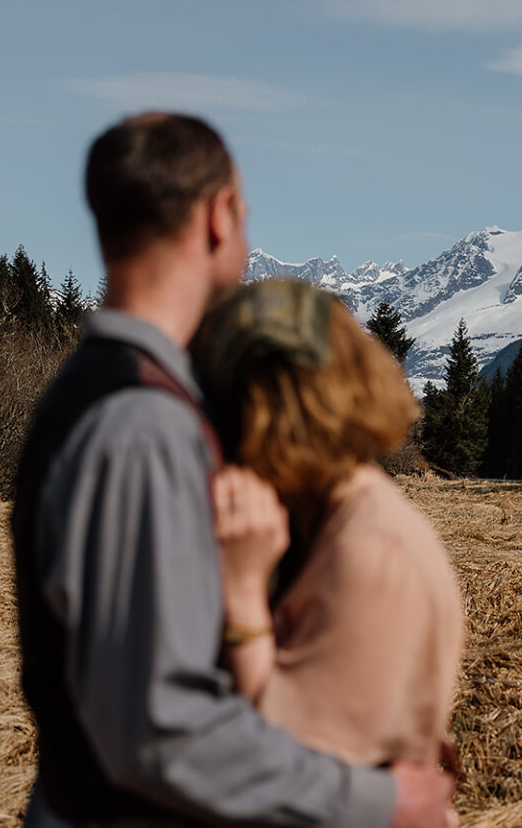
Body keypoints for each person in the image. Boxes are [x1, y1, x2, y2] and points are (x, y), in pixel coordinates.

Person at [10, 112, 455, 828]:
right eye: (245, 214)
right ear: (219, 218)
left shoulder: (118, 395)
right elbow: (159, 728)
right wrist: (377, 800)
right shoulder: (144, 428)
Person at [190, 279, 464, 772]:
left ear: (270, 415)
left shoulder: (372, 554)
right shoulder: (325, 518)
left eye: (221, 409)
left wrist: (245, 594)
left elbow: (282, 770)